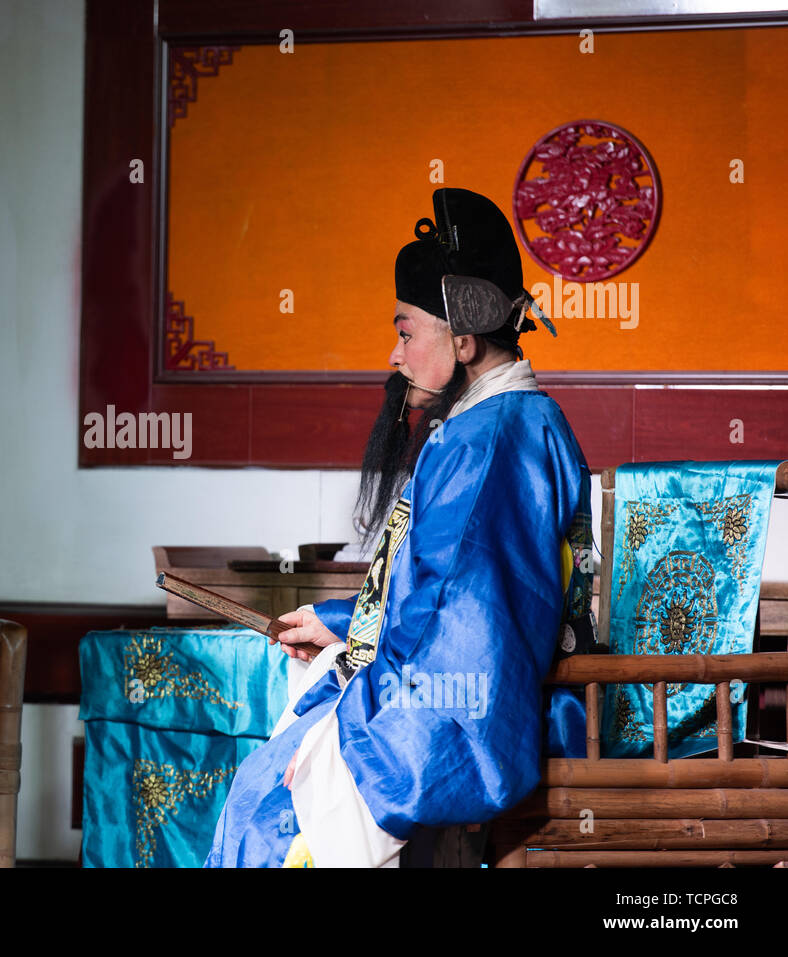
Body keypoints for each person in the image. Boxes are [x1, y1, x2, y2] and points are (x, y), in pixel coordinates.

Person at [205, 188, 595, 868]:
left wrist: (352, 742)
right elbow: (439, 589)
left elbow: (467, 629)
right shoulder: (490, 426)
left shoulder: (496, 440)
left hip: (482, 714)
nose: (395, 354)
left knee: (277, 821)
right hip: (443, 685)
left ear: (465, 338)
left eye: (406, 331)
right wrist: (342, 622)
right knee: (259, 793)